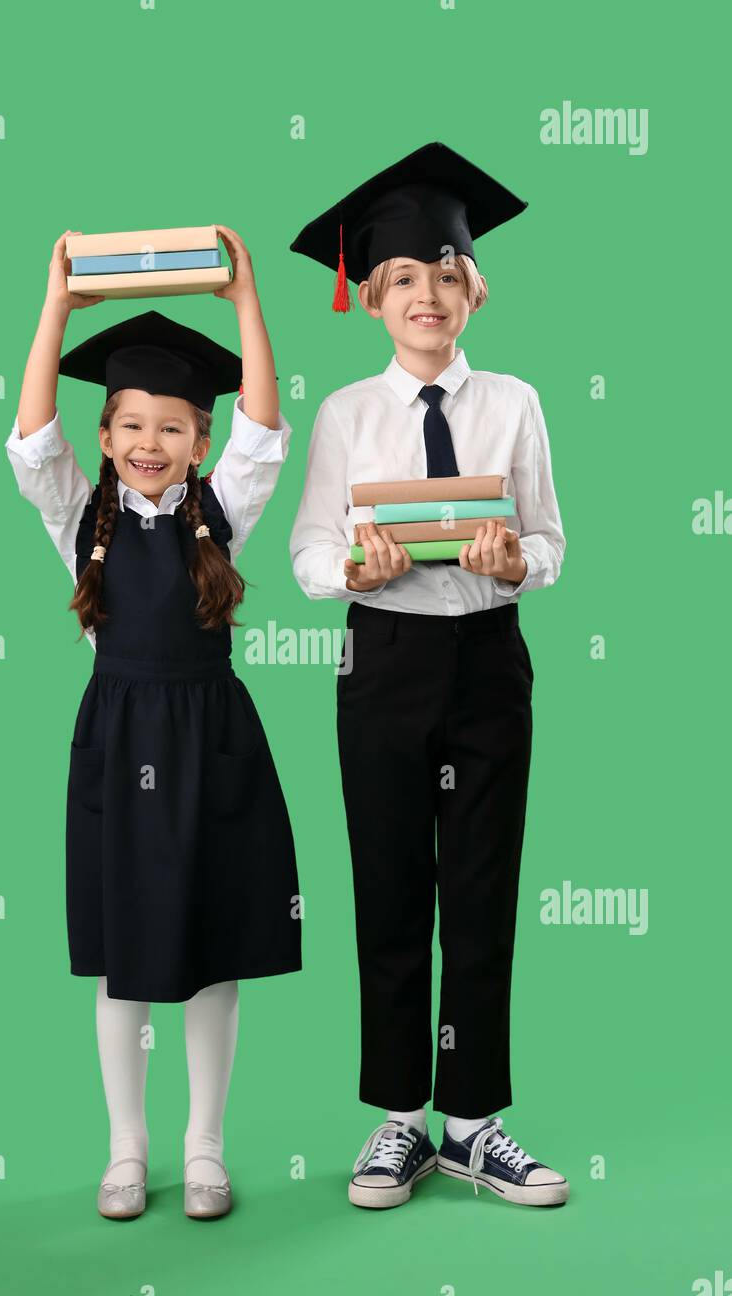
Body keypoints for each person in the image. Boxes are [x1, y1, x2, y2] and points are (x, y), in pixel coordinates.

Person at [289, 143, 569, 1209]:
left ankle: (472, 1121)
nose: (426, 293)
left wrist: (518, 563)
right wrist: (349, 569)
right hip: (385, 661)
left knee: (483, 887)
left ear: (472, 289)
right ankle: (398, 1118)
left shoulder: (513, 402)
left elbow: (548, 537)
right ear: (371, 297)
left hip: (487, 659)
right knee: (391, 884)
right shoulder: (346, 417)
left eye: (445, 274)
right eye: (403, 277)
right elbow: (312, 550)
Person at [5, 227, 301, 1222]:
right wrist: (57, 306)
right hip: (118, 746)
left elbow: (267, 429)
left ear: (197, 443)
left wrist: (244, 297)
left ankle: (203, 1146)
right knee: (123, 952)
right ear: (104, 434)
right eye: (129, 424)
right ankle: (125, 1151)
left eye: (171, 428)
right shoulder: (76, 520)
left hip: (213, 746)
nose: (147, 442)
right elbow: (27, 440)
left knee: (211, 948)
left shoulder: (218, 513)